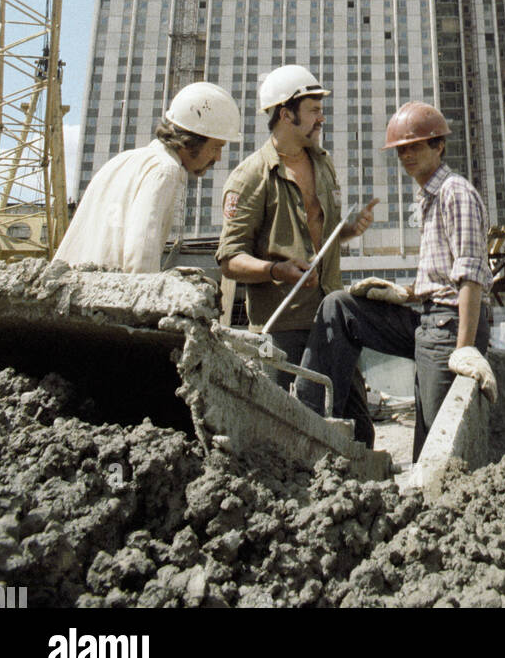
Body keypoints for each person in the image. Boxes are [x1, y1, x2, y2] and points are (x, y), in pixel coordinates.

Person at [297, 101, 497, 461]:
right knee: (341, 308)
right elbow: (441, 277)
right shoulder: (427, 198)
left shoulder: (455, 193)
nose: (406, 156)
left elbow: (469, 278)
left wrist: (464, 348)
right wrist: (400, 294)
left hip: (452, 326)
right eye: (401, 150)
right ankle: (319, 424)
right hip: (428, 317)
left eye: (415, 147)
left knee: (436, 444)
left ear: (439, 146)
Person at [216, 64, 377, 438]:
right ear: (285, 113)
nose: (322, 117)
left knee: (358, 430)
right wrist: (277, 271)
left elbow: (323, 236)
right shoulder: (250, 176)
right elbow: (229, 259)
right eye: (313, 110)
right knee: (288, 432)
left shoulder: (322, 163)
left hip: (333, 319)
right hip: (283, 328)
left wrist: (351, 230)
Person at [56, 83, 241, 274]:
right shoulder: (165, 170)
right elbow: (141, 255)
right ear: (192, 140)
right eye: (216, 147)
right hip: (109, 297)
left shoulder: (123, 160)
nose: (218, 157)